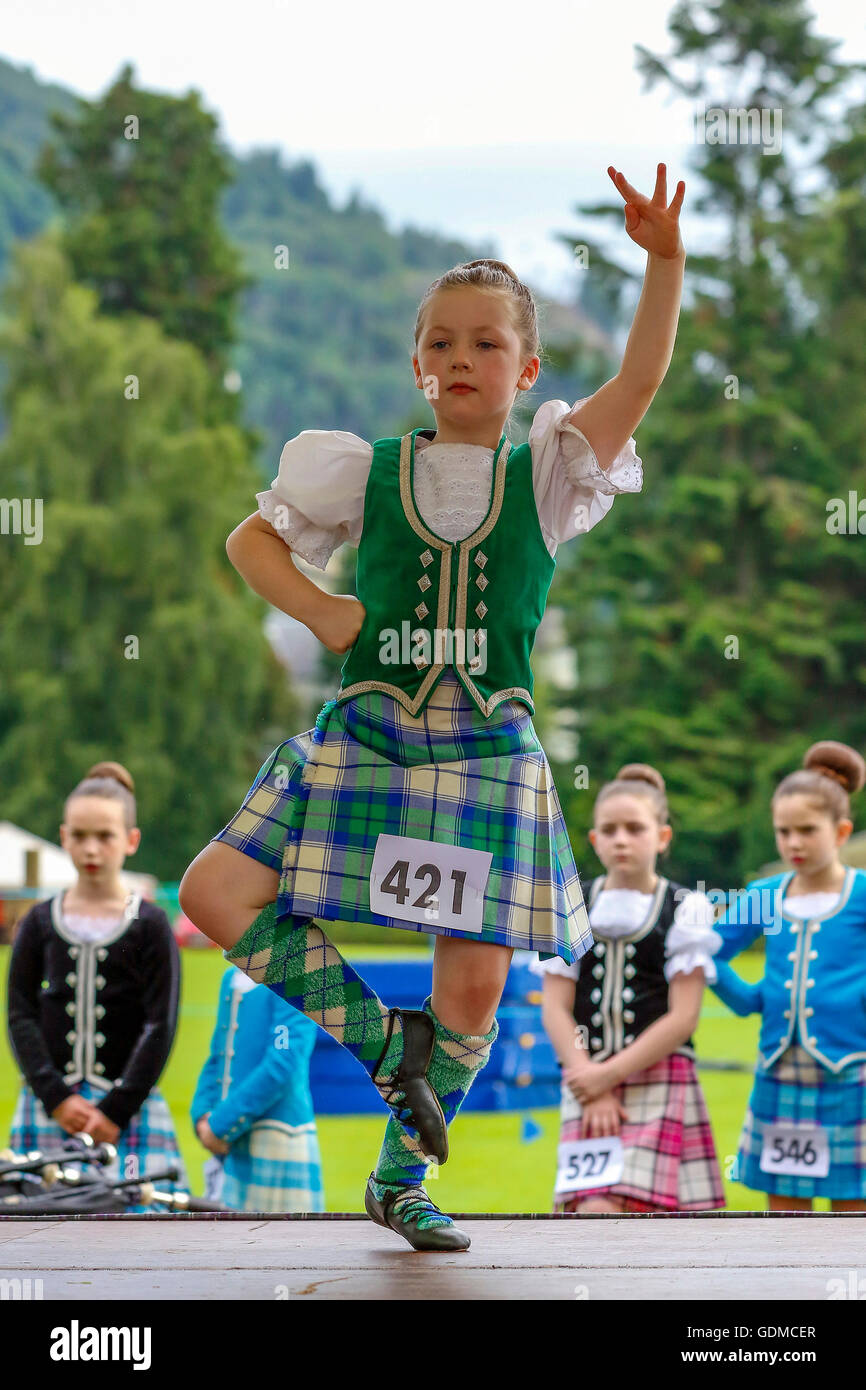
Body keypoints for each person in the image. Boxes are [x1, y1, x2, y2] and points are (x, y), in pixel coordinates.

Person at [179, 164, 688, 1249]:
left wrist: (664, 262)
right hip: (364, 734)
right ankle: (378, 1039)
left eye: (485, 343)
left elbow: (639, 383)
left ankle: (403, 1181)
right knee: (216, 890)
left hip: (485, 753)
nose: (461, 359)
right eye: (442, 343)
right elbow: (247, 540)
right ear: (417, 364)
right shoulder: (357, 470)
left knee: (471, 992)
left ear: (527, 367)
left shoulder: (548, 472)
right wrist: (321, 613)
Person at [532, 763, 725, 1212]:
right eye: (610, 830)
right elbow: (555, 1008)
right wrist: (591, 1081)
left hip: (659, 1076)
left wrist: (609, 1076)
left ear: (662, 837)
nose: (621, 839)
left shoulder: (686, 909)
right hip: (585, 1077)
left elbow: (683, 1018)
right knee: (592, 1210)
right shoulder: (570, 904)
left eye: (635, 828)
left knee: (654, 1219)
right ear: (595, 840)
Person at [6, 761, 187, 1212]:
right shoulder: (38, 922)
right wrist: (55, 1097)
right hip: (49, 1110)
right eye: (80, 835)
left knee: (139, 1230)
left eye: (104, 836)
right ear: (63, 836)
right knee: (35, 1225)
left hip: (128, 1112)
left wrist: (117, 1109)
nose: (91, 848)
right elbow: (19, 1013)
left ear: (130, 840)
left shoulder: (150, 925)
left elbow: (159, 1023)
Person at [711, 740, 866, 1211]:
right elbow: (708, 955)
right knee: (783, 1219)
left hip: (853, 1074)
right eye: (783, 831)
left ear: (841, 831)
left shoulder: (863, 895)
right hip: (778, 1069)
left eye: (807, 830)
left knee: (852, 1217)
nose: (793, 843)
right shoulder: (764, 893)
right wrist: (753, 996)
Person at [191, 965, 324, 1212]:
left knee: (279, 1245)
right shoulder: (232, 978)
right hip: (231, 1142)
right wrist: (202, 1116)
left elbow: (282, 1063)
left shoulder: (295, 975)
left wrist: (220, 1124)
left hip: (276, 1138)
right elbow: (218, 1055)